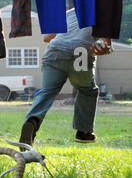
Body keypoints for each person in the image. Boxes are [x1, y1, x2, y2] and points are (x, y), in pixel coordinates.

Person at [19, 9, 111, 145]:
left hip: (55, 51)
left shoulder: (67, 13)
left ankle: (32, 120)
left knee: (47, 91)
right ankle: (84, 132)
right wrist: (105, 48)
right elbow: (106, 45)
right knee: (87, 90)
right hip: (81, 54)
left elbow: (47, 38)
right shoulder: (102, 13)